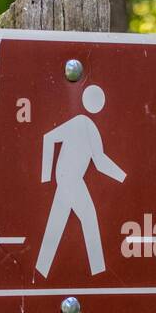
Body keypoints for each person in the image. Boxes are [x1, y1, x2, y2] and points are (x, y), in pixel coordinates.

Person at [35, 85, 126, 277]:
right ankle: (99, 272)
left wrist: (123, 177)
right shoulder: (80, 122)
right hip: (70, 179)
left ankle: (41, 269)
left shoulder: (90, 127)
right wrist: (45, 176)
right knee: (89, 218)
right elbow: (49, 138)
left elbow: (99, 162)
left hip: (69, 179)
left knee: (56, 223)